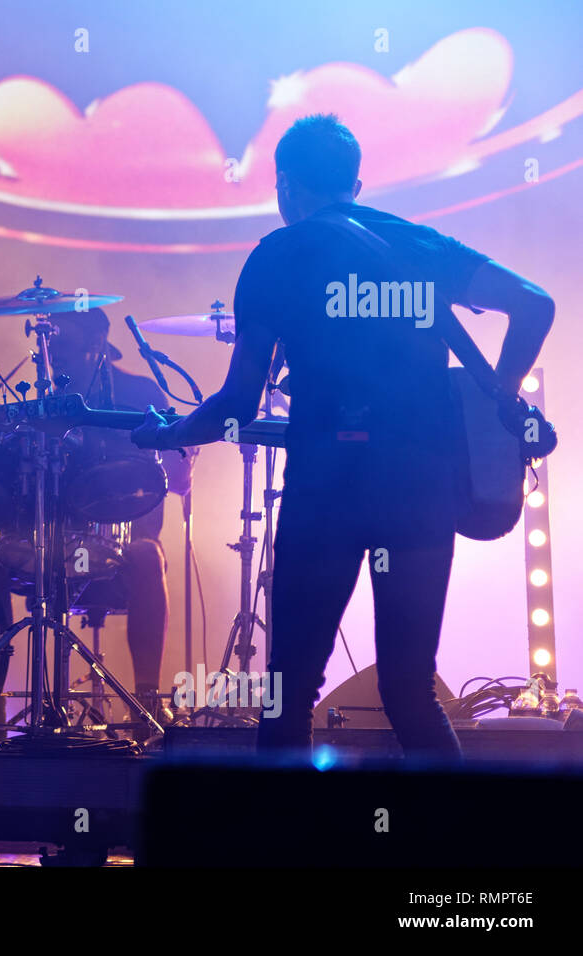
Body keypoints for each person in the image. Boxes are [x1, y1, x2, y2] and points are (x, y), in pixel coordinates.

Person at [130, 114, 553, 761]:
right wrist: (501, 397)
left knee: (289, 691)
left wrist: (175, 432)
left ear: (285, 187)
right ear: (356, 183)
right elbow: (535, 304)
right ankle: (457, 847)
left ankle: (288, 851)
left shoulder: (277, 256)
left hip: (327, 490)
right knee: (410, 688)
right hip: (419, 489)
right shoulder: (417, 243)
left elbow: (239, 402)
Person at [47, 308, 192, 725]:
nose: (56, 356)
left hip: (127, 537)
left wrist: (184, 454)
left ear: (95, 348)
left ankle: (146, 700)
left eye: (65, 345)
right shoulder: (45, 396)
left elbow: (177, 481)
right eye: (51, 346)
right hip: (57, 535)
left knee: (148, 556)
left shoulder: (140, 391)